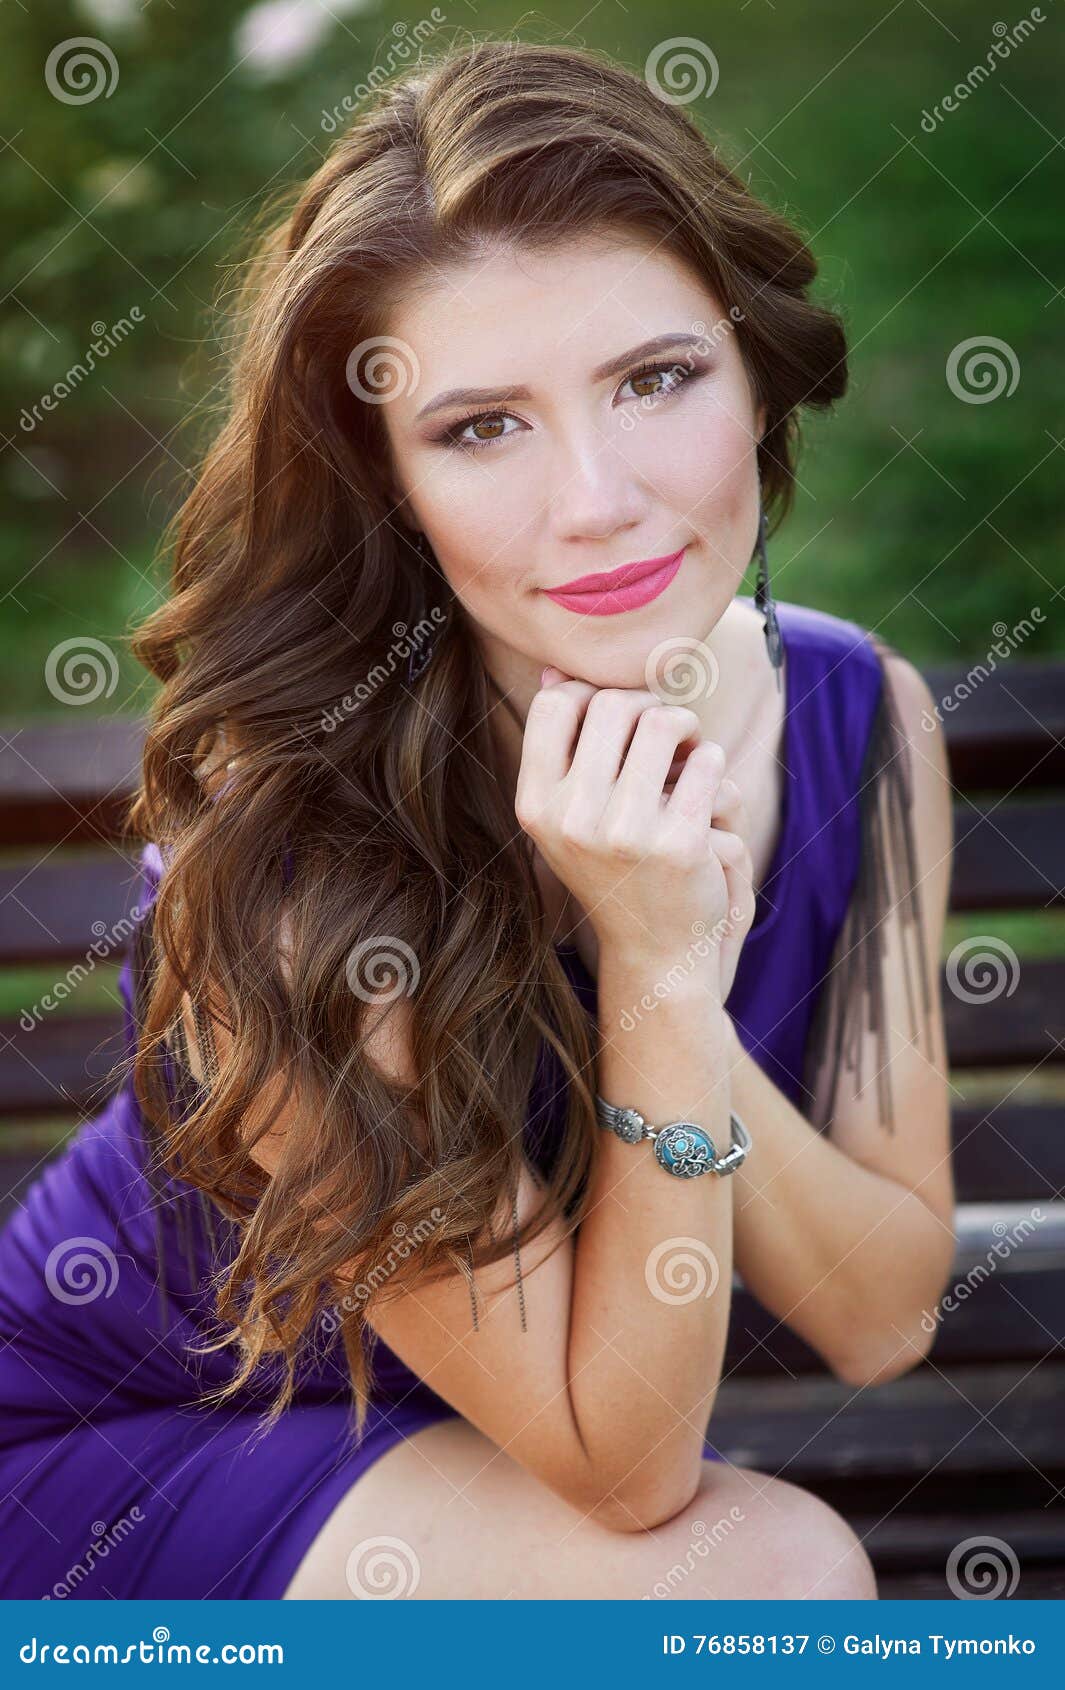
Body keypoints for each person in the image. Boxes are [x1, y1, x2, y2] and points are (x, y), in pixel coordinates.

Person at [0, 39, 955, 1602]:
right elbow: (630, 1465)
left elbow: (882, 1309)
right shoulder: (299, 856)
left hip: (488, 1485)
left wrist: (676, 960)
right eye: (479, 426)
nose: (598, 498)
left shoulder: (863, 722)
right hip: (130, 1459)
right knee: (760, 1583)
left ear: (753, 369)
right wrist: (647, 965)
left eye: (655, 379)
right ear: (382, 475)